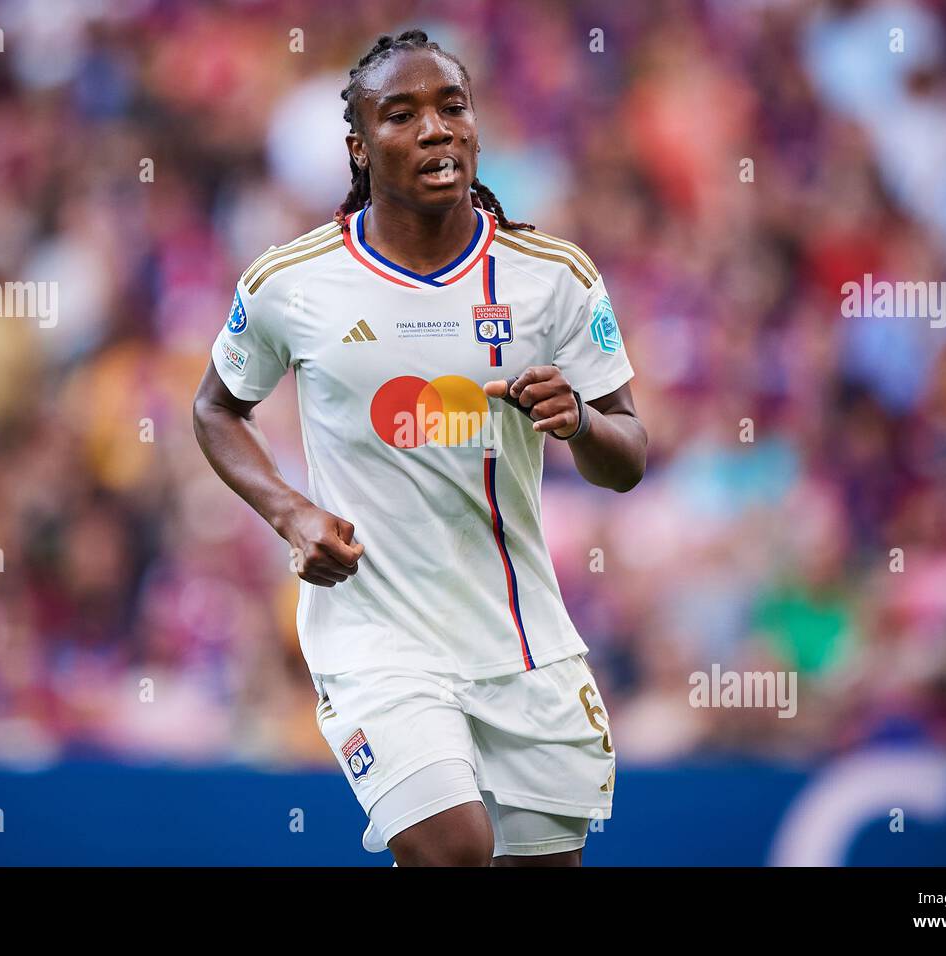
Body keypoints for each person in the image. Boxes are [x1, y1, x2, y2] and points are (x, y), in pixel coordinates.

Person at [193, 28, 645, 866]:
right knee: (454, 851)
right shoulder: (292, 283)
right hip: (375, 636)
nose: (436, 129)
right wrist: (292, 513)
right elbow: (218, 408)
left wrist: (580, 420)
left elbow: (629, 455)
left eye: (453, 107)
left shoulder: (553, 275)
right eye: (402, 115)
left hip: (521, 639)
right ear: (360, 148)